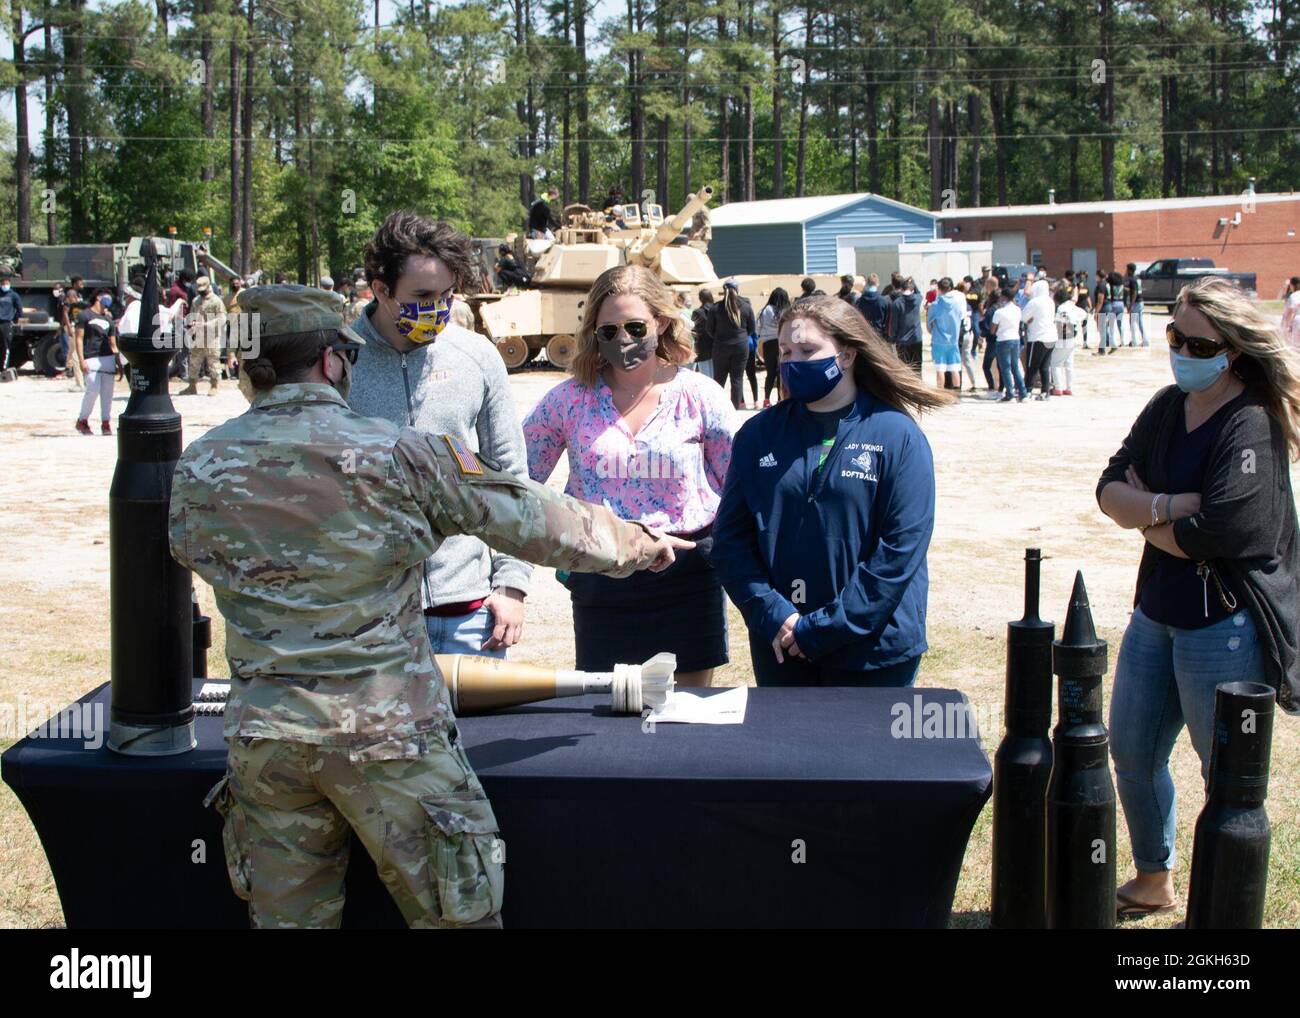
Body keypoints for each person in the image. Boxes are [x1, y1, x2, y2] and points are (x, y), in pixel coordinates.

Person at [172, 284, 687, 930]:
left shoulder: (200, 467)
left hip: (267, 745)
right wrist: (638, 544)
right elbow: (538, 521)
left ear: (249, 369)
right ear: (333, 362)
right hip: (387, 741)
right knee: (457, 917)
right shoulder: (398, 456)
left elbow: (192, 554)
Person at [1096, 276, 1300, 917]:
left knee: (1225, 773)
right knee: (1130, 747)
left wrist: (1148, 516)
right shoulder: (1165, 406)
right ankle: (1153, 876)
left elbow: (1228, 531)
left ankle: (1224, 896)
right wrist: (1168, 509)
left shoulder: (1252, 421)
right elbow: (1107, 489)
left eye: (1198, 342)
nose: (1182, 349)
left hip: (1225, 624)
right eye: (1175, 335)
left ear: (1232, 349)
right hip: (1157, 609)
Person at [711, 296, 954, 686]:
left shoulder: (897, 435)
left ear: (847, 354)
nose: (792, 362)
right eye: (786, 351)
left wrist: (825, 628)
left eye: (808, 350)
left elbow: (899, 552)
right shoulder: (757, 435)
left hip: (874, 653)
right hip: (783, 647)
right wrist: (775, 615)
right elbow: (730, 541)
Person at [523, 264, 736, 687]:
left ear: (661, 322)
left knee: (685, 718)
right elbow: (518, 479)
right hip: (602, 580)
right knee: (607, 720)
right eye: (609, 331)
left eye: (636, 327)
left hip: (687, 579)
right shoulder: (568, 400)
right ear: (593, 335)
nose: (624, 340)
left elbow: (738, 488)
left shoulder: (700, 397)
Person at [348, 210, 535, 660]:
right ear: (380, 290)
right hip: (371, 616)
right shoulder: (337, 361)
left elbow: (509, 475)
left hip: (469, 616)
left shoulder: (477, 356)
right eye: (422, 295)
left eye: (447, 293)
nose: (438, 307)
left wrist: (512, 584)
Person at [73, 290, 119, 435]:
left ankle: (105, 422)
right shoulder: (84, 315)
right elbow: (79, 338)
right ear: (98, 298)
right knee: (92, 390)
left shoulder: (109, 320)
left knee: (107, 393)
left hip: (107, 358)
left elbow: (113, 343)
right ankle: (82, 420)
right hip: (91, 357)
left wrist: (118, 362)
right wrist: (81, 360)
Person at [706, 279, 756, 410]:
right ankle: (734, 409)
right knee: (737, 379)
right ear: (738, 289)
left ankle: (716, 408)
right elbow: (751, 328)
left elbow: (709, 330)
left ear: (723, 290)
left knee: (719, 379)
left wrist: (719, 337)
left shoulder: (715, 308)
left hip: (721, 346)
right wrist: (741, 336)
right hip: (740, 346)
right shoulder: (746, 307)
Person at [180, 275, 227, 396]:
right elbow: (192, 315)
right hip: (199, 337)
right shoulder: (196, 301)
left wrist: (205, 324)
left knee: (213, 363)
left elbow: (222, 319)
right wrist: (191, 324)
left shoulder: (216, 301)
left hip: (212, 337)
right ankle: (192, 386)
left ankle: (214, 385)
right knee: (194, 362)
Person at [1021, 278, 1056, 400]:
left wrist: (1030, 319)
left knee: (1032, 365)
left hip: (1037, 338)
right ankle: (1045, 392)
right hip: (1051, 337)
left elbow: (1024, 317)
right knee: (1045, 366)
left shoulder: (1034, 302)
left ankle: (1027, 390)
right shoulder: (1050, 301)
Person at [991, 286, 1027, 402]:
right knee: (1015, 367)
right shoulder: (1017, 309)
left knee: (1005, 368)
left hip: (1003, 339)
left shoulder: (999, 312)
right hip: (1015, 339)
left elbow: (993, 329)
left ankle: (1010, 394)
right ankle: (1023, 393)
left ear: (1004, 297)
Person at [926, 277, 964, 389]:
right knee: (955, 368)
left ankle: (941, 393)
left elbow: (929, 324)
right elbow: (961, 318)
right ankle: (957, 393)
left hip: (939, 340)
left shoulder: (935, 305)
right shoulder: (957, 303)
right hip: (953, 340)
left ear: (939, 289)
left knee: (940, 369)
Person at [758, 288, 789, 405]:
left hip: (767, 344)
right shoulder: (786, 310)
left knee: (770, 373)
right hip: (782, 344)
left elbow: (758, 328)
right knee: (781, 372)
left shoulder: (765, 310)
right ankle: (780, 399)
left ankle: (766, 399)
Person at [1051, 285, 1084, 395]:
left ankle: (1058, 388)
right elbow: (1083, 314)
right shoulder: (1073, 306)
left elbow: (1061, 321)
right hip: (1074, 337)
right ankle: (1069, 388)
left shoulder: (1061, 308)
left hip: (1063, 336)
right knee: (1069, 363)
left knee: (1055, 363)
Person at [889, 276, 924, 375]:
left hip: (902, 340)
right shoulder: (917, 299)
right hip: (916, 338)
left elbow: (894, 324)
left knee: (904, 368)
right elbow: (919, 293)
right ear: (912, 289)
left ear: (901, 289)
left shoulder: (897, 303)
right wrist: (912, 282)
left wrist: (892, 339)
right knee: (917, 367)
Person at [60, 276, 85, 389]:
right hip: (73, 326)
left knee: (72, 353)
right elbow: (65, 312)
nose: (82, 284)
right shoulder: (71, 293)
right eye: (80, 283)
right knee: (76, 353)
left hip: (79, 324)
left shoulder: (78, 295)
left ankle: (68, 367)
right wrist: (69, 327)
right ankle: (80, 383)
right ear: (75, 284)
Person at [979, 276, 1001, 392]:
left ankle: (993, 387)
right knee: (999, 366)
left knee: (987, 365)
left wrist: (981, 334)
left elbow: (987, 324)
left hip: (993, 340)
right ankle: (999, 386)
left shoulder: (993, 307)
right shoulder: (1003, 303)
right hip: (1002, 339)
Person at [0, 271, 22, 373]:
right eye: (3, 283)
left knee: (5, 346)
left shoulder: (14, 295)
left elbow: (19, 310)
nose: (5, 285)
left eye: (6, 283)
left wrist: (14, 320)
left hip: (6, 323)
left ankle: (3, 368)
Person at [692, 288, 716, 380]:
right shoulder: (717, 309)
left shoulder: (697, 312)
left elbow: (694, 331)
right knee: (716, 377)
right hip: (716, 347)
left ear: (700, 298)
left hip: (703, 348)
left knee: (705, 377)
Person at [1124, 262, 1147, 347]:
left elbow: (1134, 292)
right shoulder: (1137, 278)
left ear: (1129, 270)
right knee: (1140, 322)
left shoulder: (1132, 279)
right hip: (1141, 301)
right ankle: (1145, 340)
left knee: (1132, 322)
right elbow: (1135, 289)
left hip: (1136, 302)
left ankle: (1134, 341)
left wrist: (1131, 305)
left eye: (1127, 269)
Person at [1283, 275, 1300, 349]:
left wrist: (1287, 325)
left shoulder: (1293, 295)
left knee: (1295, 345)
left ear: (1292, 285)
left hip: (1297, 319)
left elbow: (1290, 312)